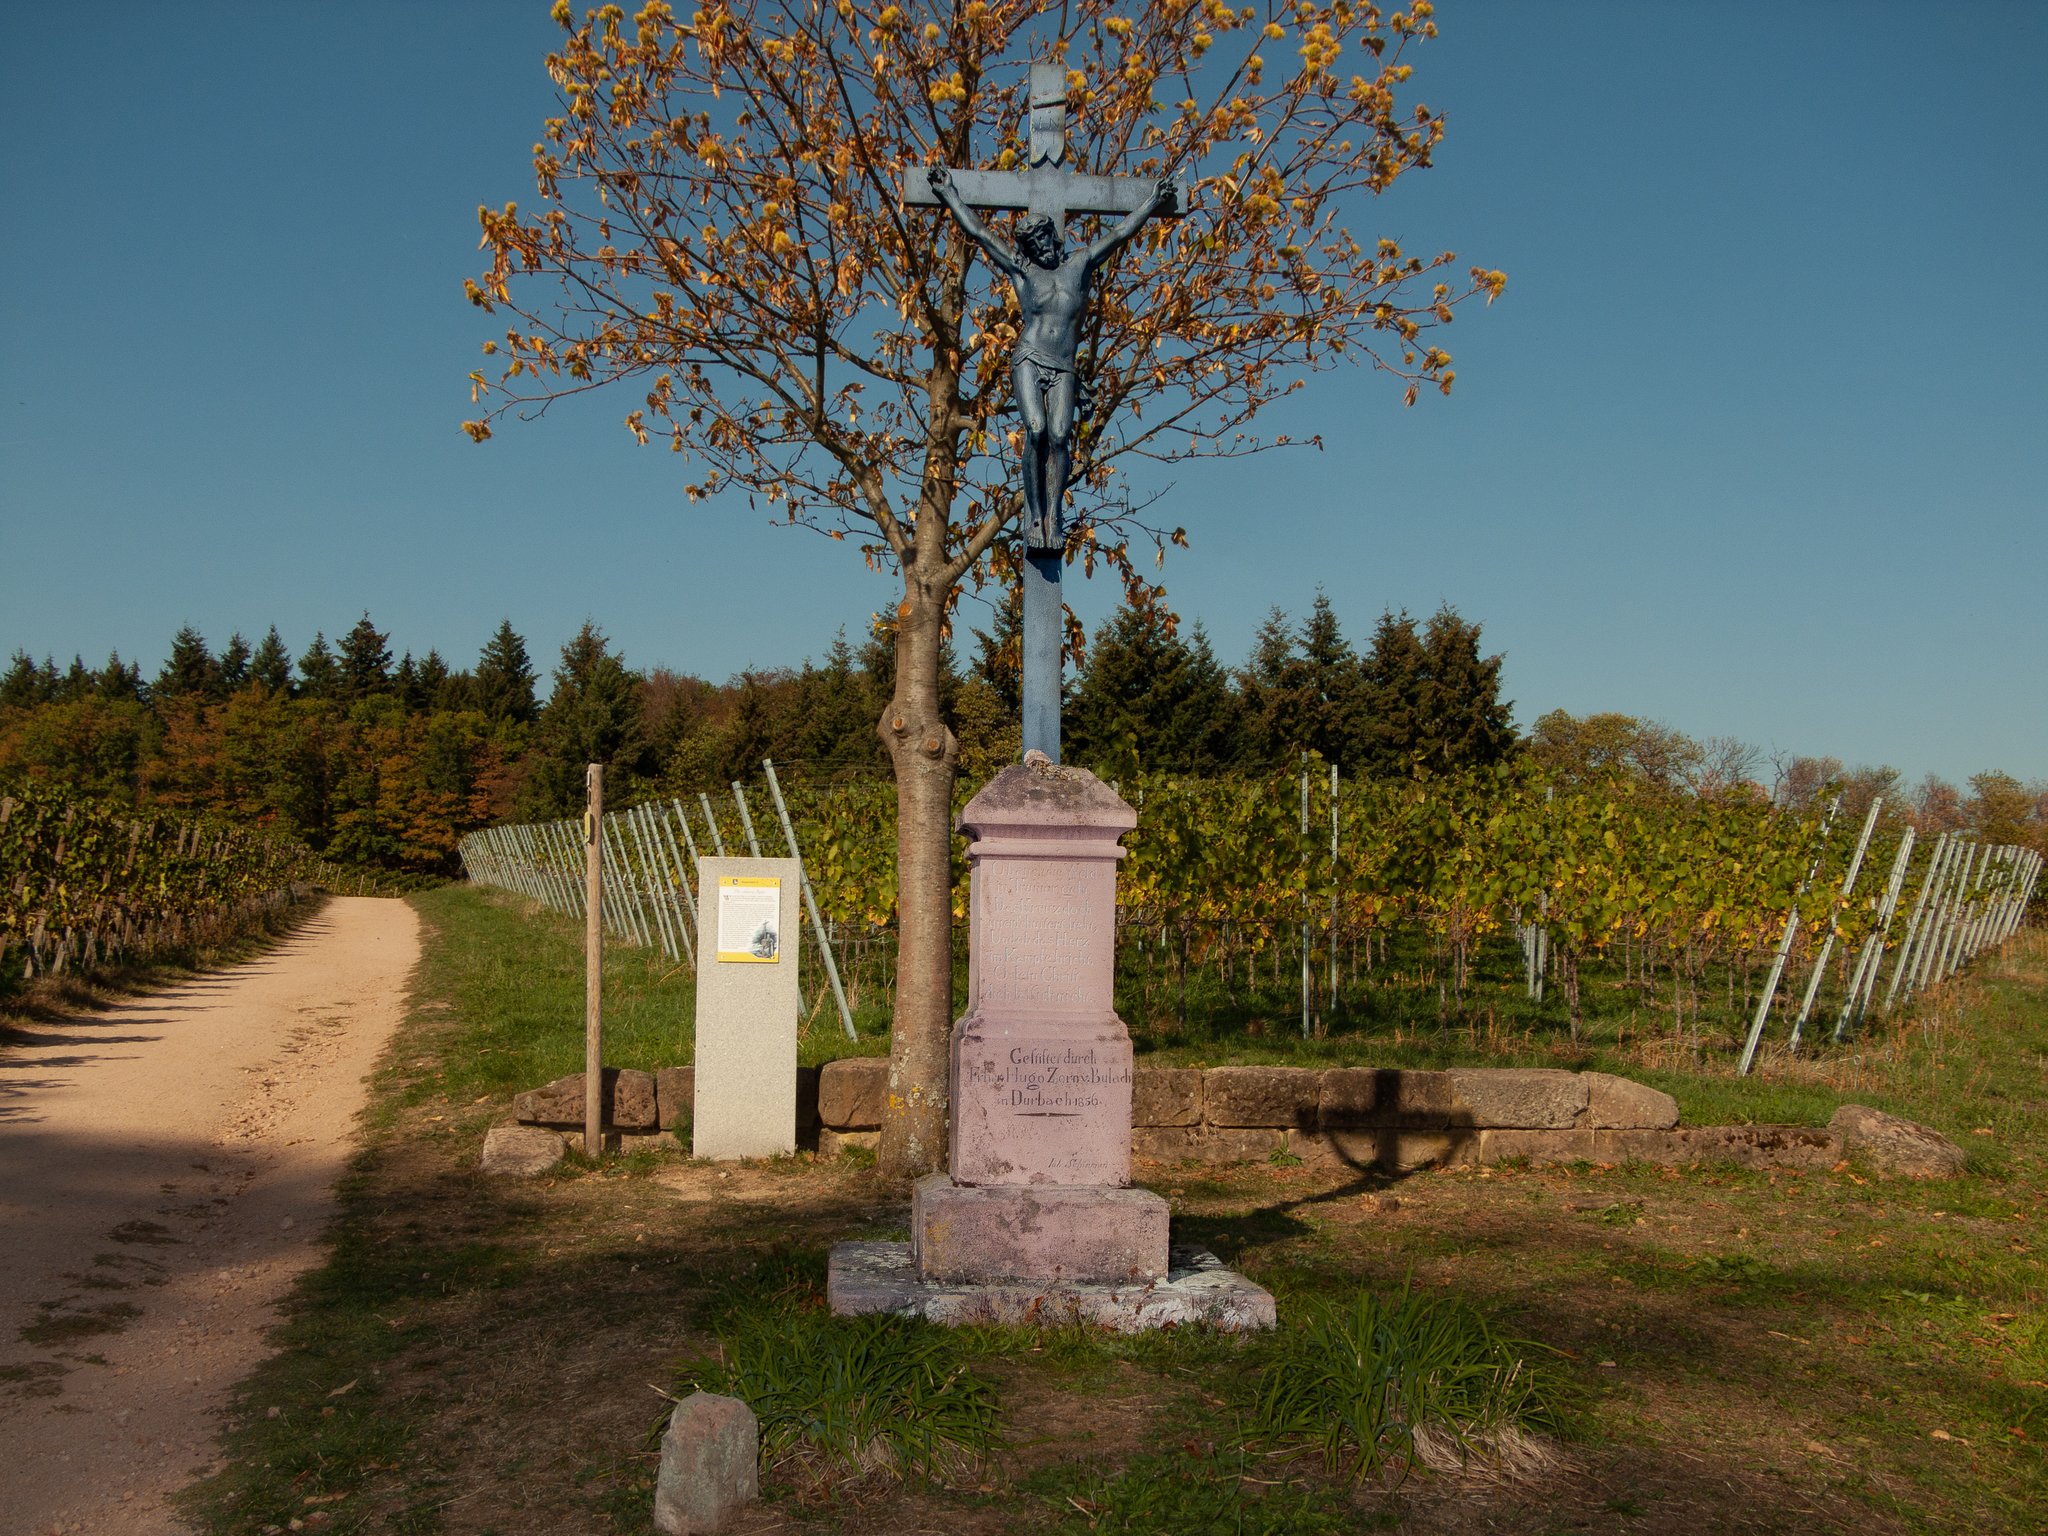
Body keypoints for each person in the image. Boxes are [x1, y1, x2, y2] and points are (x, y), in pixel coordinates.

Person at [927, 166, 1174, 551]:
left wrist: (1153, 201)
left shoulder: (1080, 265)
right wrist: (950, 195)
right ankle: (1034, 514)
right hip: (1029, 356)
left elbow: (1121, 233)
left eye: (1043, 242)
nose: (1040, 251)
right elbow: (979, 233)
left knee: (1060, 437)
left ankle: (1053, 516)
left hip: (1064, 365)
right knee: (1038, 430)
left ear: (1053, 238)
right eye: (1032, 247)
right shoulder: (1023, 271)